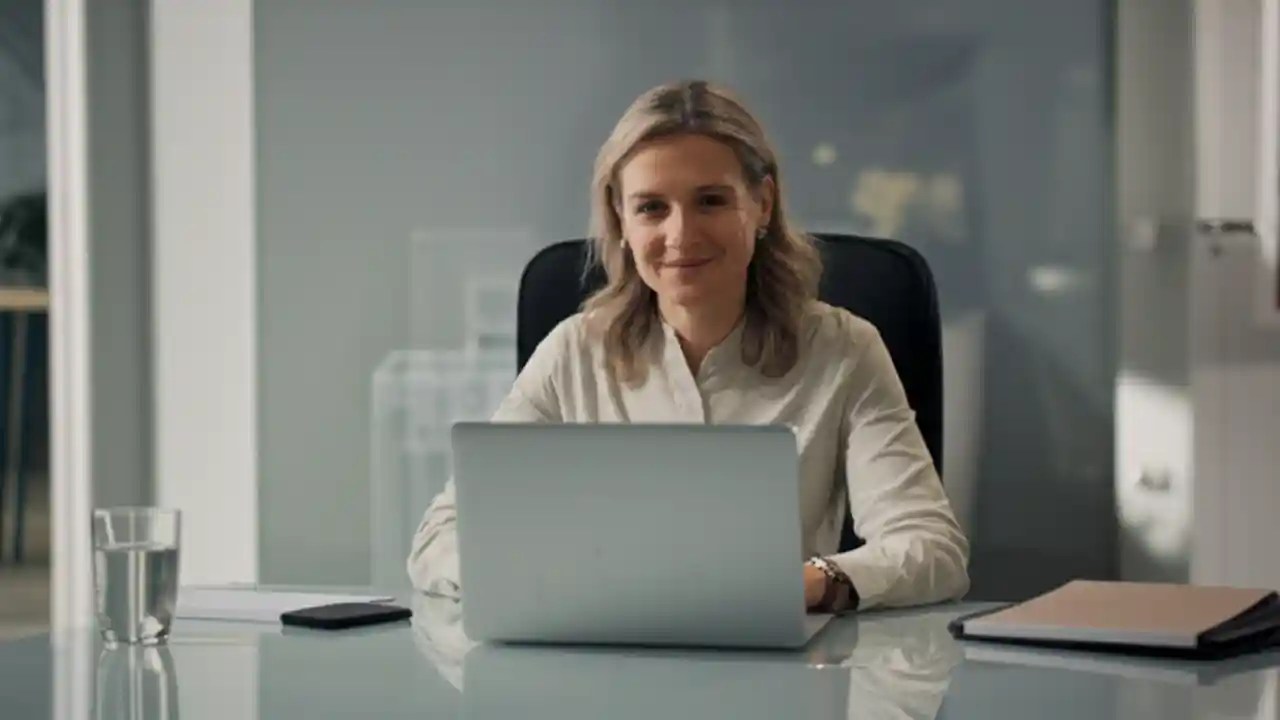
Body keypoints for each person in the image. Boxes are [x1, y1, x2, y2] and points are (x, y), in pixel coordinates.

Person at [408, 80, 969, 612]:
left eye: (710, 201)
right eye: (652, 207)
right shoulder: (573, 353)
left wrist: (798, 585)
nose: (681, 236)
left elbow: (931, 549)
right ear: (620, 220)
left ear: (763, 204)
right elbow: (440, 538)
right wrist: (533, 580)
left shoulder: (844, 349)